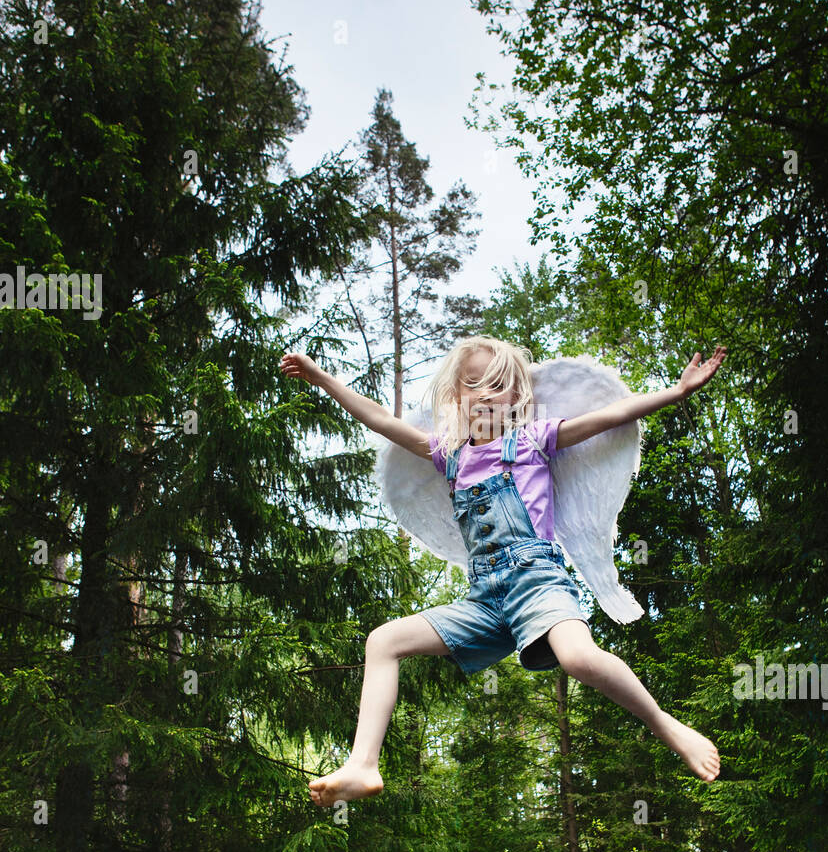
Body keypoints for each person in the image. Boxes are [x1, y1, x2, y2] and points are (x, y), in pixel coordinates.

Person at [279, 336, 726, 806]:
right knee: (383, 641)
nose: (486, 393)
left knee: (577, 658)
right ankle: (363, 765)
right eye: (474, 383)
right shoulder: (448, 456)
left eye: (498, 385)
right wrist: (322, 379)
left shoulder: (534, 440)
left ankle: (668, 726)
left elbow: (609, 417)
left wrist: (677, 393)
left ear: (517, 398)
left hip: (538, 581)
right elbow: (381, 420)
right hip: (486, 598)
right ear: (456, 396)